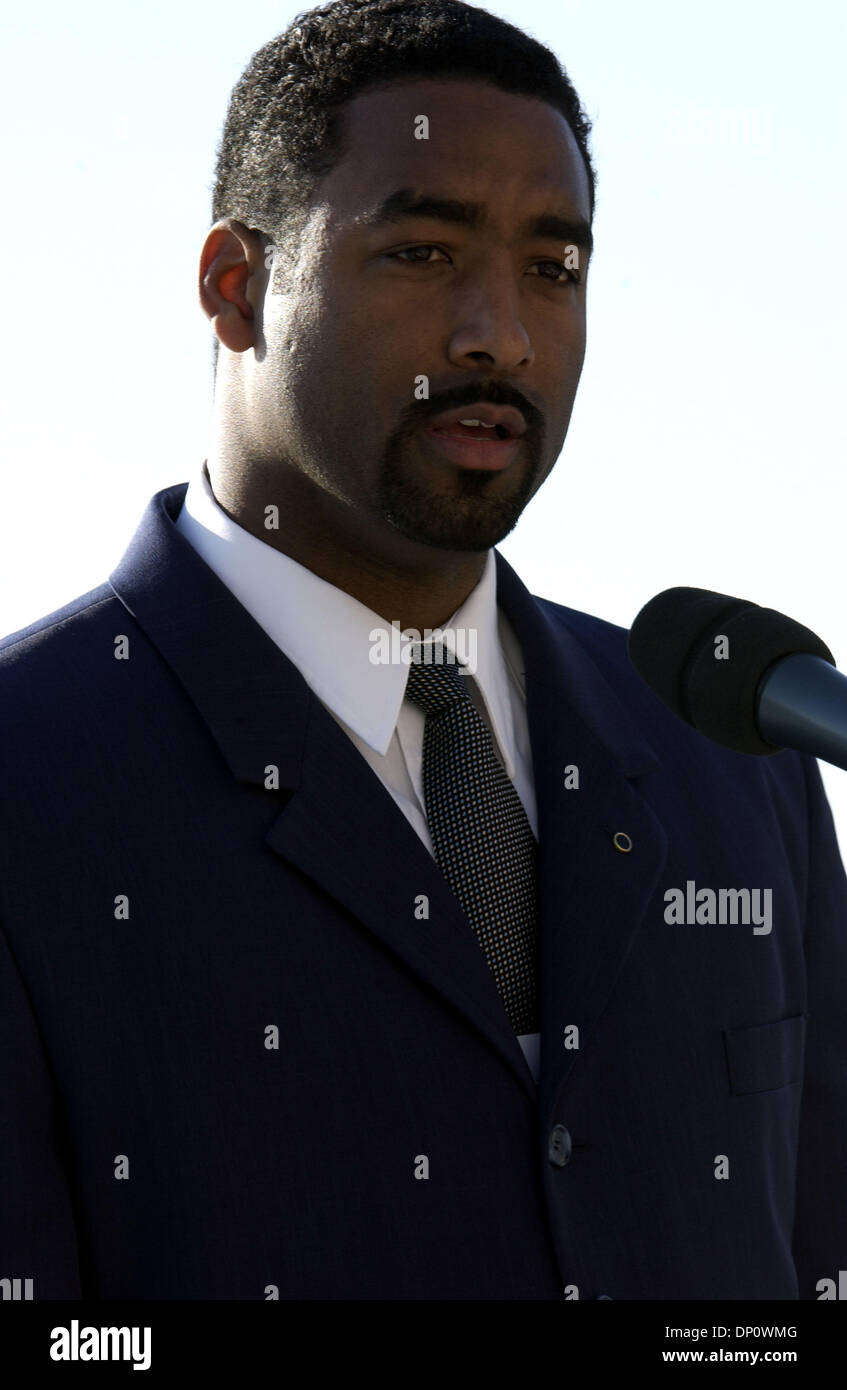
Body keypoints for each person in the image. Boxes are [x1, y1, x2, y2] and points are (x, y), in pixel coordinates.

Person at [1, 0, 845, 1301]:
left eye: (553, 268)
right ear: (236, 287)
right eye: (425, 251)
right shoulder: (30, 778)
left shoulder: (736, 756)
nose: (499, 332)